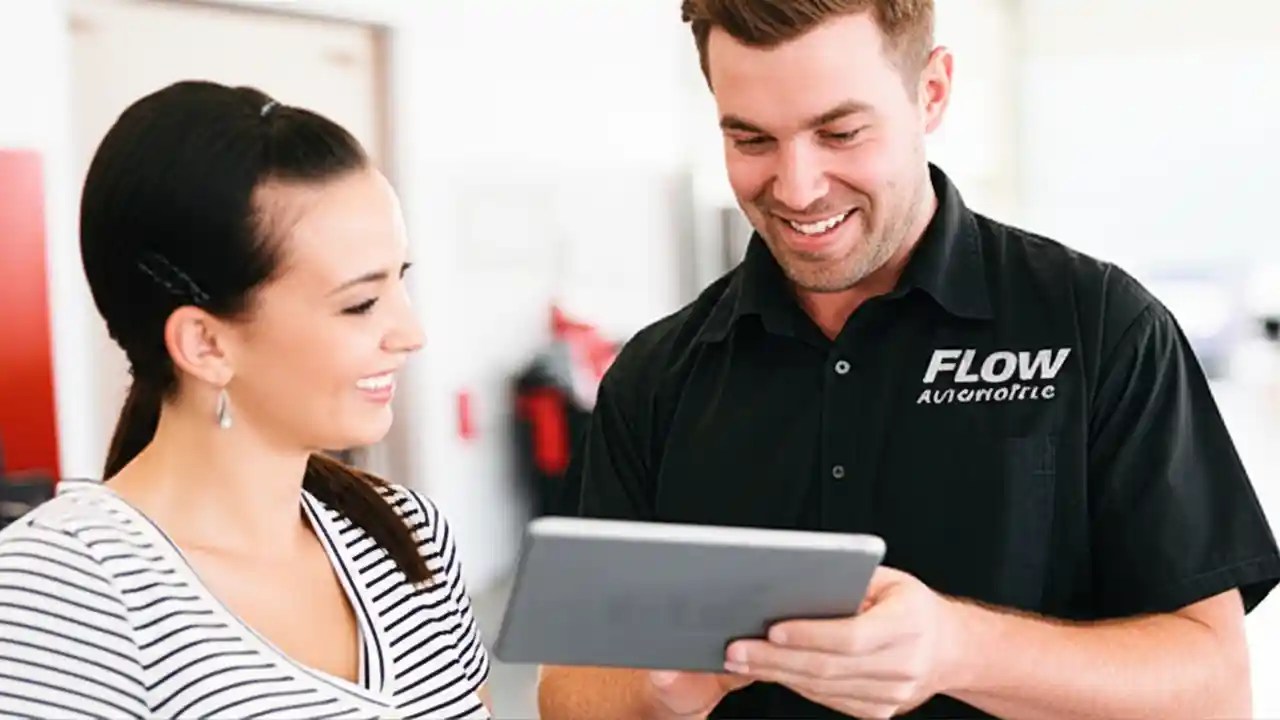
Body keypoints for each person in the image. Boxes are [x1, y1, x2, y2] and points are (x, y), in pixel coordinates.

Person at [537, 1, 1280, 719]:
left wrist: (959, 649)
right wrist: (661, 693)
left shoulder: (1102, 329)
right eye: (752, 140)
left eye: (841, 132)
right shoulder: (657, 376)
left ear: (931, 92)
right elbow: (567, 693)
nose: (797, 188)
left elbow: (1213, 692)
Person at [0, 81, 491, 719]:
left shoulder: (409, 535)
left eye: (400, 281)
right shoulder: (58, 596)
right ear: (205, 344)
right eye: (360, 303)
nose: (411, 334)